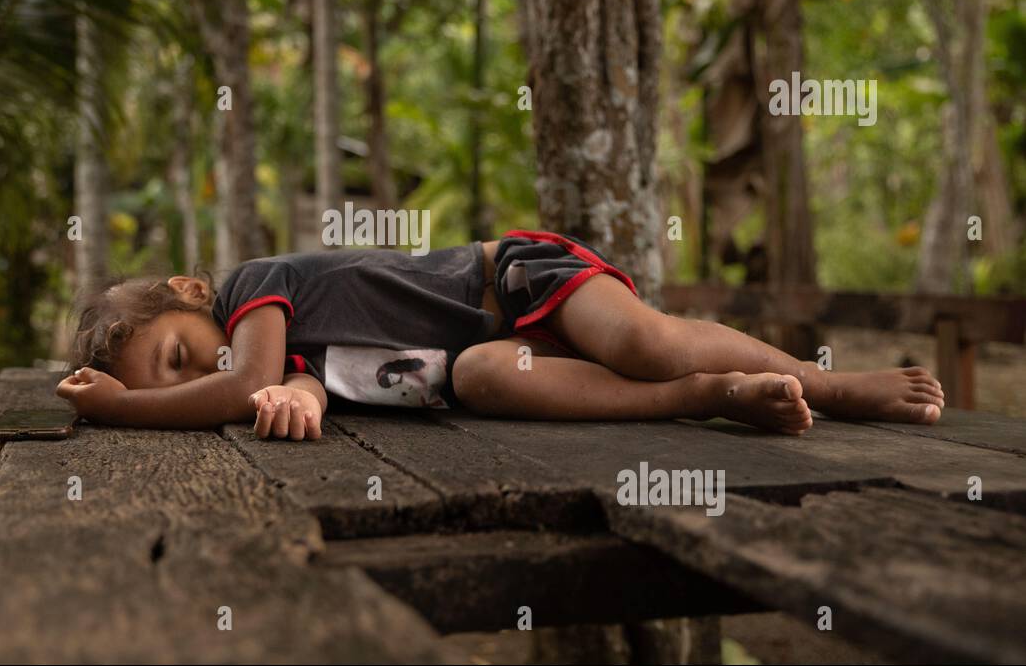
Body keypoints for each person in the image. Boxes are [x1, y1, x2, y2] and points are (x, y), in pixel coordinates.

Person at [57, 230, 944, 440]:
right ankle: (710, 399)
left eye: (174, 357)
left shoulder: (256, 290)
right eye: (168, 383)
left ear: (191, 292)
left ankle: (828, 383)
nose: (189, 377)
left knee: (646, 343)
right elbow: (288, 385)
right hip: (490, 356)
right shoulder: (276, 358)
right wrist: (295, 399)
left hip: (516, 281)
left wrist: (129, 409)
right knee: (482, 376)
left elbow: (235, 378)